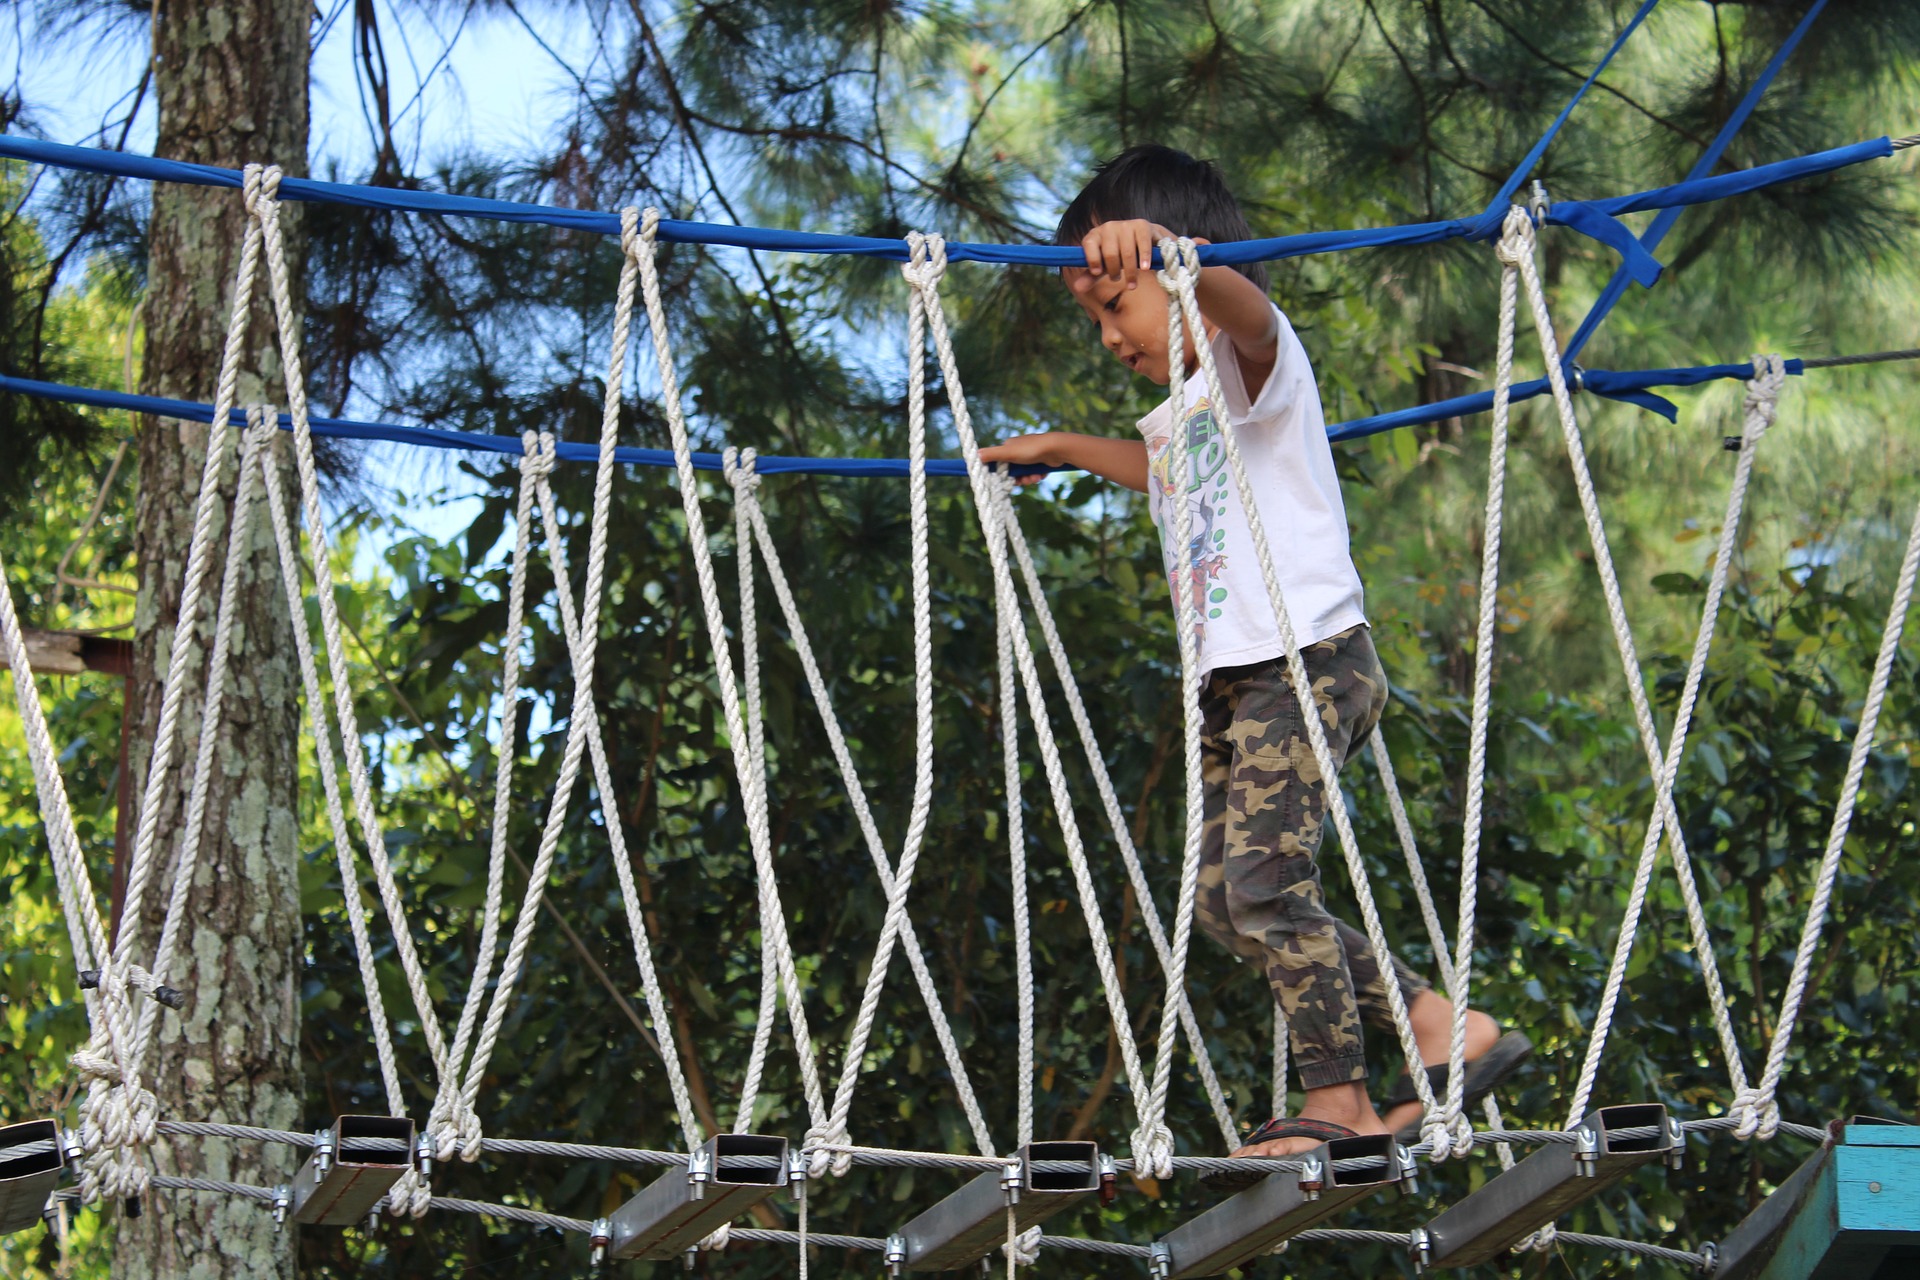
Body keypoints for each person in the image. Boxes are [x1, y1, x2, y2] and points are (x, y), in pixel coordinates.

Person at [978, 145, 1529, 1174]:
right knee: (1226, 901)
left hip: (1306, 659)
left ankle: (1342, 1099)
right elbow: (1160, 474)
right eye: (1093, 323)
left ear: (1176, 268)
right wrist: (1061, 447)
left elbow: (1249, 311)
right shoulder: (1191, 409)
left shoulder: (1258, 365)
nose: (1108, 337)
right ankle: (1436, 1022)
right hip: (1238, 683)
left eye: (1116, 308)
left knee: (1270, 882)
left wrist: (1185, 261)